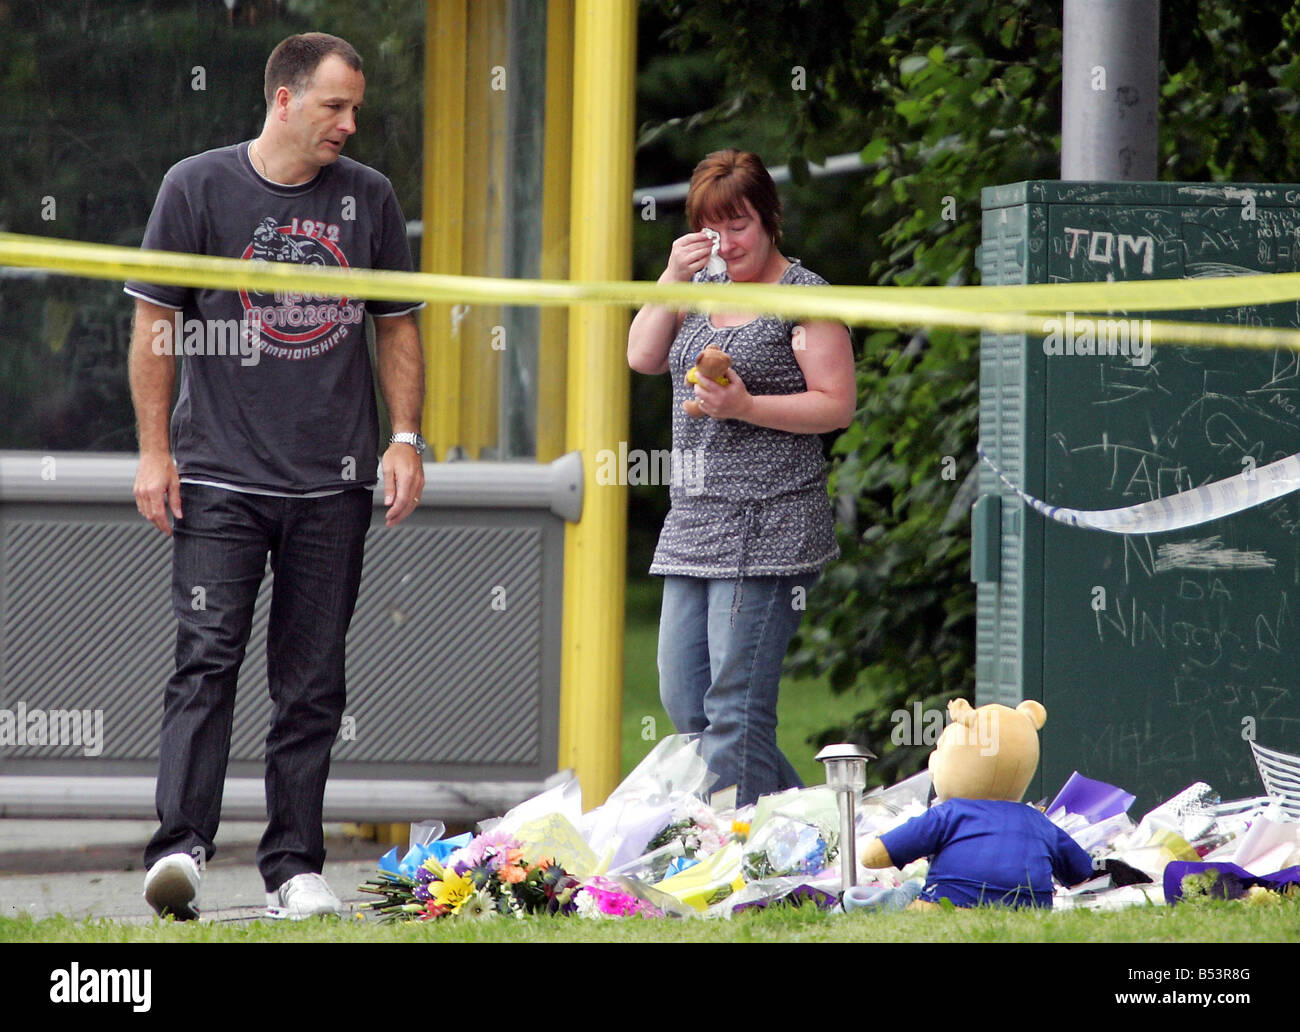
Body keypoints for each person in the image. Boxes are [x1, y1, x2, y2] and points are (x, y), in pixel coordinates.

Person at [125, 32, 427, 920]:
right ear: (284, 99)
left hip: (332, 486)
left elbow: (398, 326)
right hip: (219, 477)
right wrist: (154, 451)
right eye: (335, 106)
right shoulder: (197, 186)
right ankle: (178, 850)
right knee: (205, 661)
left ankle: (294, 867)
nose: (350, 123)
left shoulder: (369, 199)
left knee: (313, 682)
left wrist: (405, 437)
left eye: (356, 108)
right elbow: (154, 325)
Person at [626, 149, 855, 807]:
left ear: (770, 219)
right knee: (686, 700)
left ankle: (738, 859)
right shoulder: (699, 285)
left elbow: (835, 403)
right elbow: (641, 354)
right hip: (694, 516)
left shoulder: (804, 297)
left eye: (739, 225)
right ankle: (814, 828)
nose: (726, 243)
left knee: (735, 705)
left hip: (771, 522)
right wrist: (672, 274)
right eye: (711, 229)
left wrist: (746, 406)